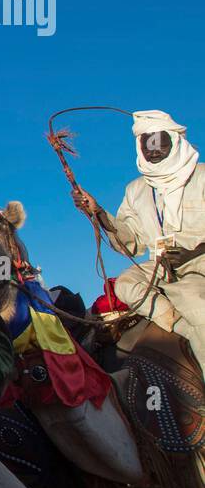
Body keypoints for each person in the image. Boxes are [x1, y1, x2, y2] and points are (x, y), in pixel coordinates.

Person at [72, 109, 205, 364]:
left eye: (159, 140)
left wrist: (192, 249)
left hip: (200, 264)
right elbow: (130, 242)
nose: (153, 149)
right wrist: (97, 211)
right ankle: (182, 328)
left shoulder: (202, 176)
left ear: (174, 140)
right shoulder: (137, 190)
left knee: (199, 308)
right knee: (124, 284)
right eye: (147, 142)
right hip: (160, 267)